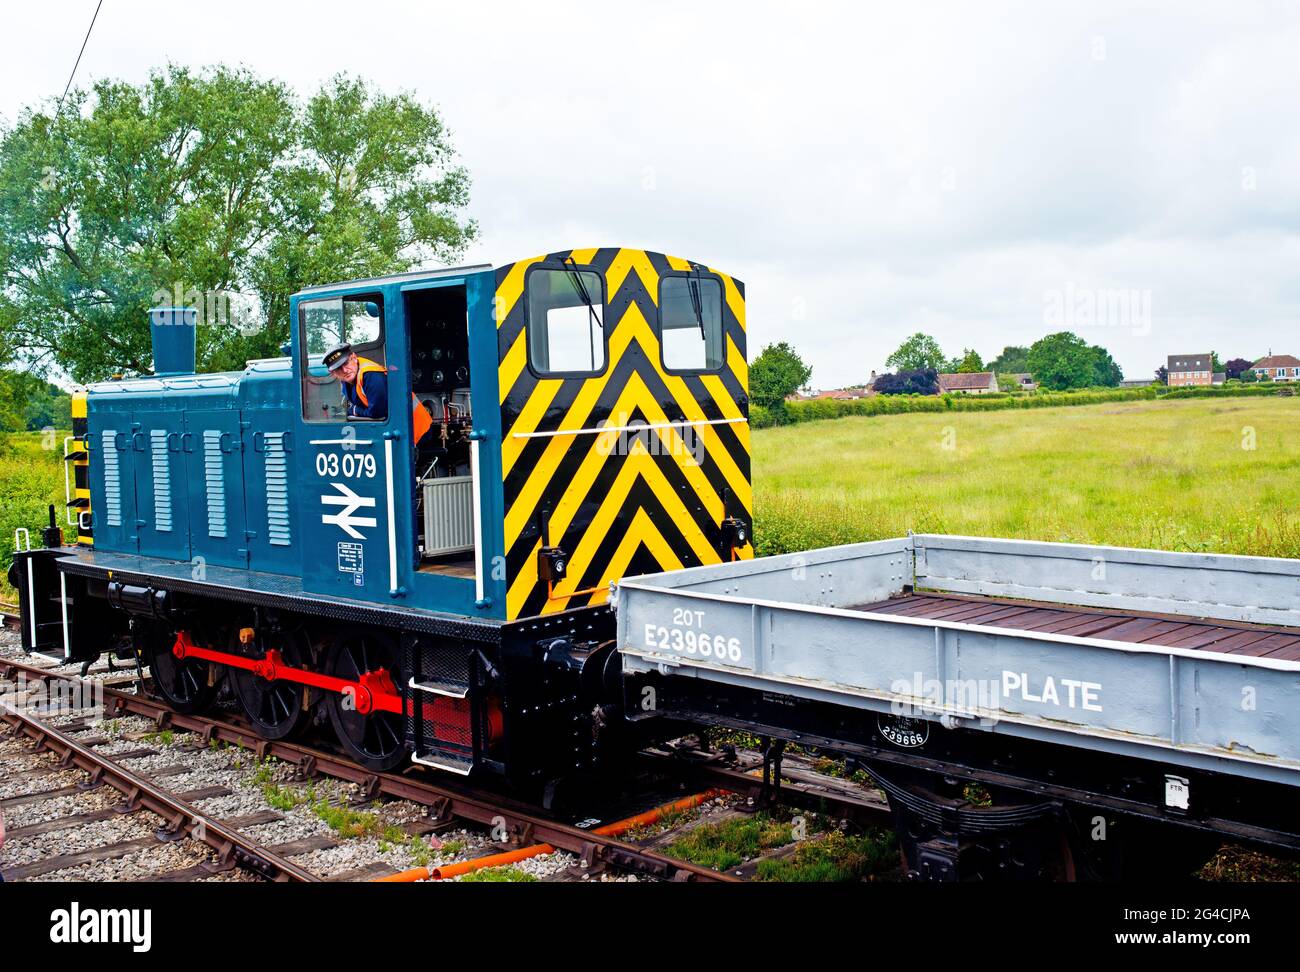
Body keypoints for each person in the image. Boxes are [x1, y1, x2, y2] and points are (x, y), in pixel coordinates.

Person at [324, 343, 389, 420]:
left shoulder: (372, 376)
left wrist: (355, 410)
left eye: (346, 363)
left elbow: (377, 412)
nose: (345, 370)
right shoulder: (346, 379)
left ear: (354, 358)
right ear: (332, 373)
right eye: (338, 368)